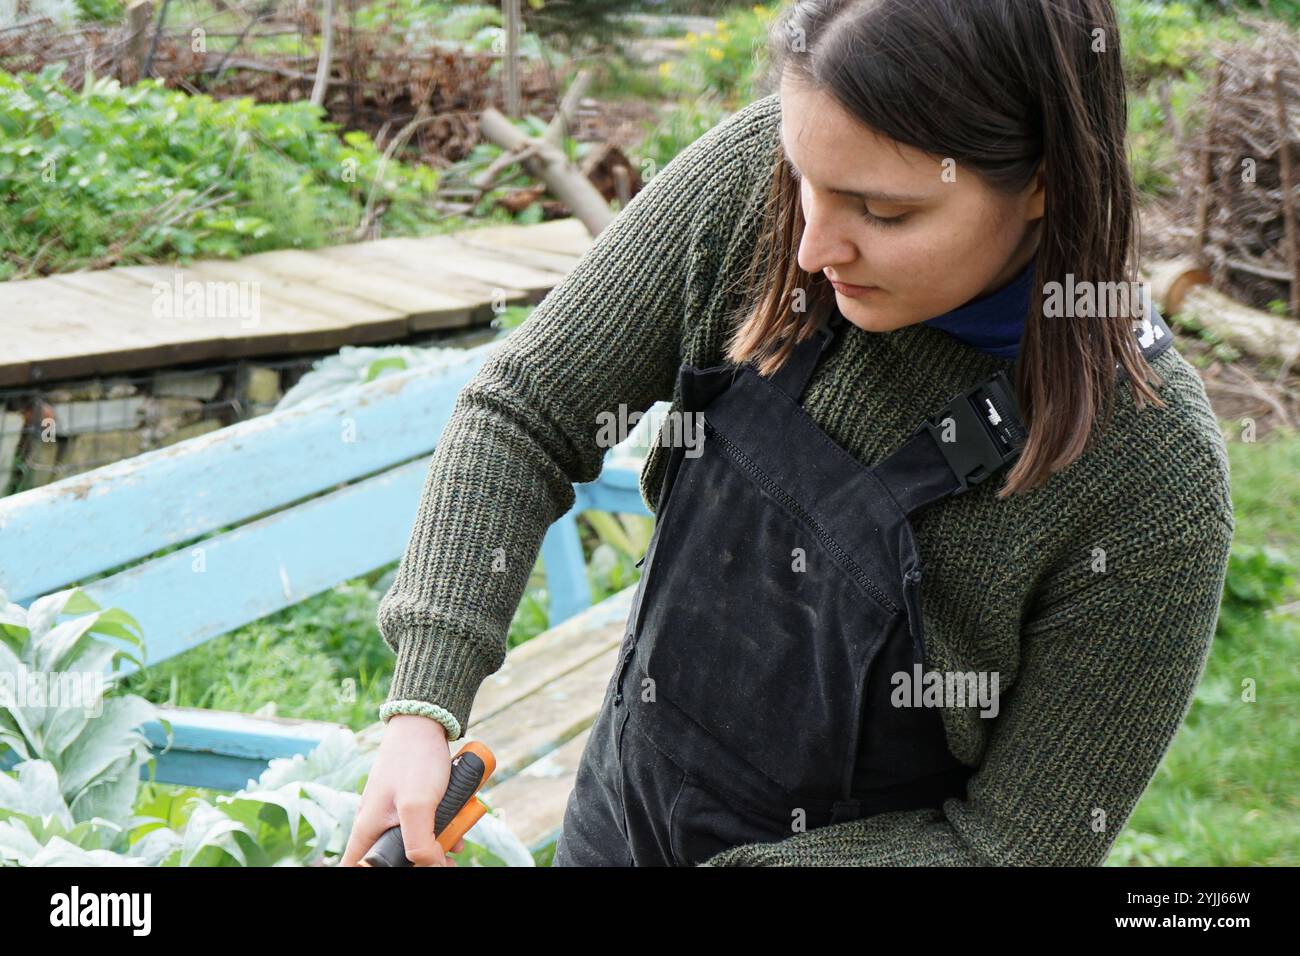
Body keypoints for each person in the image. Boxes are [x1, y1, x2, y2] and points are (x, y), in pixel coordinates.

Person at [341, 0, 1234, 868]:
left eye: (883, 213)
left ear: (1043, 180)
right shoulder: (756, 182)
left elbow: (1014, 845)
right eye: (805, 177)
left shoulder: (1150, 481)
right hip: (615, 821)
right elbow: (526, 411)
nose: (810, 249)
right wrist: (425, 705)